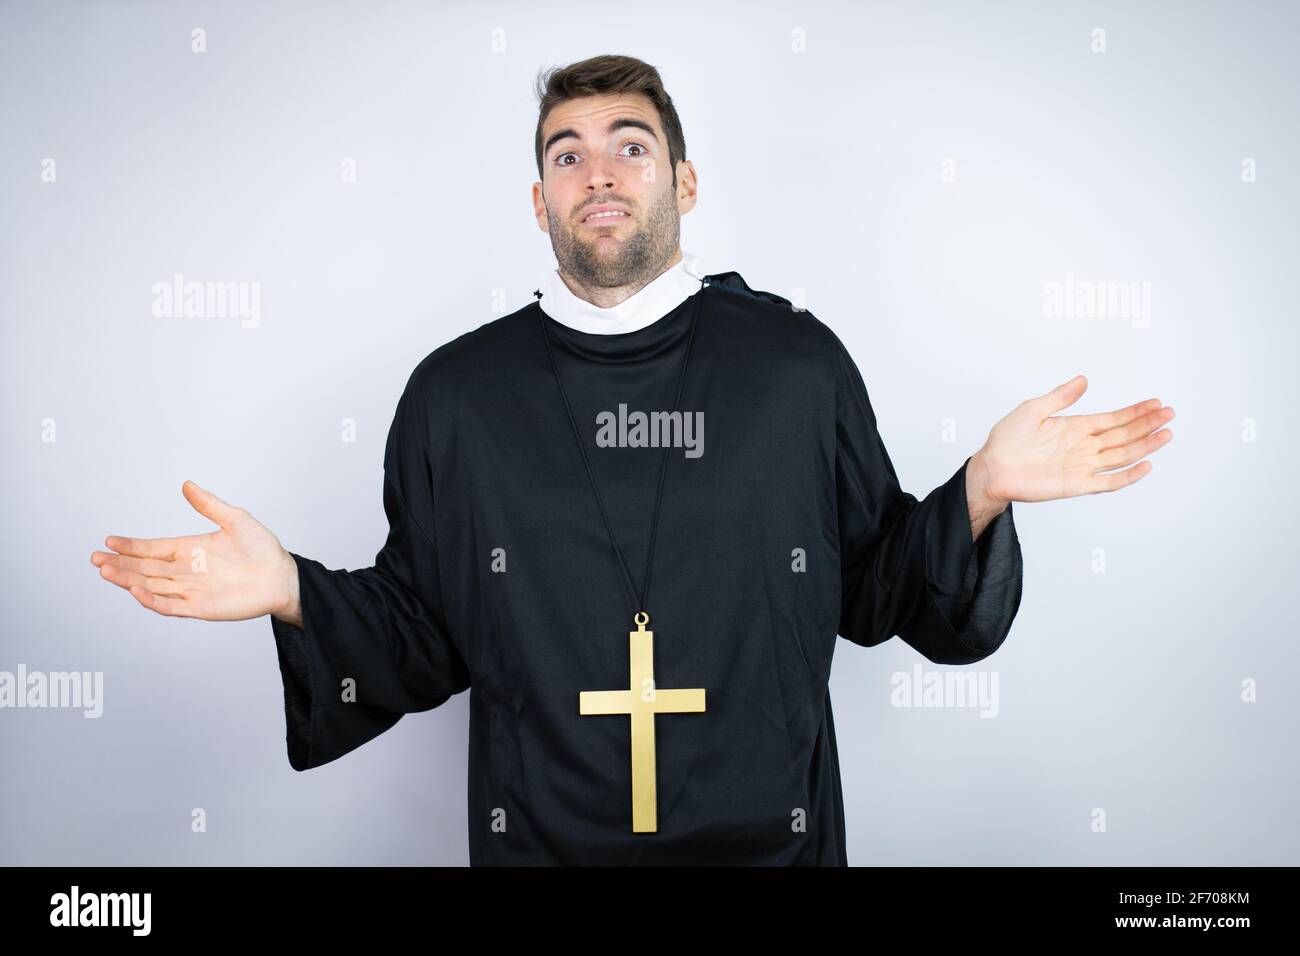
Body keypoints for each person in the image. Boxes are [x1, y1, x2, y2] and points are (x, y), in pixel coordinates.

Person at [90, 54, 1174, 865]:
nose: (596, 171)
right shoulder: (458, 396)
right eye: (566, 153)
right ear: (538, 200)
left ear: (685, 183)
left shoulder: (793, 366)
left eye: (629, 143)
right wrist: (293, 589)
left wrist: (978, 491)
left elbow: (875, 582)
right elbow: (424, 629)